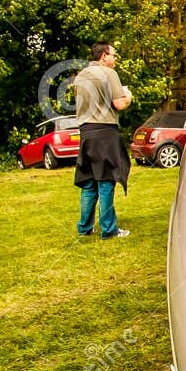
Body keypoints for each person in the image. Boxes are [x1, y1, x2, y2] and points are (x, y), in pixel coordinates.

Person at [72, 42, 132, 240]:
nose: (115, 59)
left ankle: (84, 228)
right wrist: (128, 95)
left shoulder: (80, 76)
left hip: (86, 133)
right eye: (113, 55)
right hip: (105, 132)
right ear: (104, 56)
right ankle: (109, 230)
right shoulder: (108, 73)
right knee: (106, 181)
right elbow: (120, 104)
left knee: (89, 183)